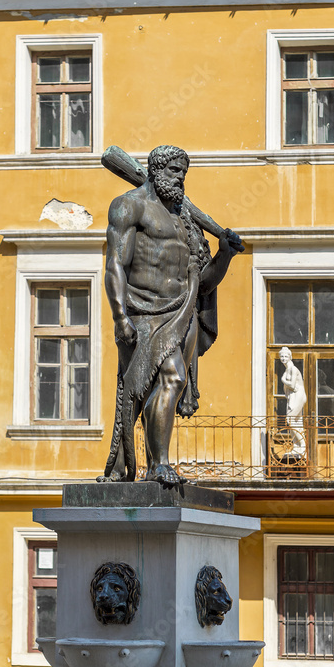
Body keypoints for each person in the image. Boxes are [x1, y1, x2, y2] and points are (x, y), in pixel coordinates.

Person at [101, 144, 243, 486]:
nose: (180, 179)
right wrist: (120, 316)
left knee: (160, 387)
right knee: (170, 378)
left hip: (182, 310)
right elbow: (115, 265)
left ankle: (147, 467)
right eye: (173, 171)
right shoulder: (129, 206)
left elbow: (204, 283)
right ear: (154, 170)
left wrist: (224, 254)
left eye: (184, 173)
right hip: (142, 310)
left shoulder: (187, 221)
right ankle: (156, 465)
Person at [279, 346, 307, 456]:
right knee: (296, 422)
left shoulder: (293, 369)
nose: (283, 358)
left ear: (290, 357)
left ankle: (303, 445)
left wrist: (282, 379)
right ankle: (297, 446)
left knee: (290, 420)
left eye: (286, 356)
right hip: (293, 396)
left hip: (298, 395)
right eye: (281, 356)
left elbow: (292, 384)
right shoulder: (288, 369)